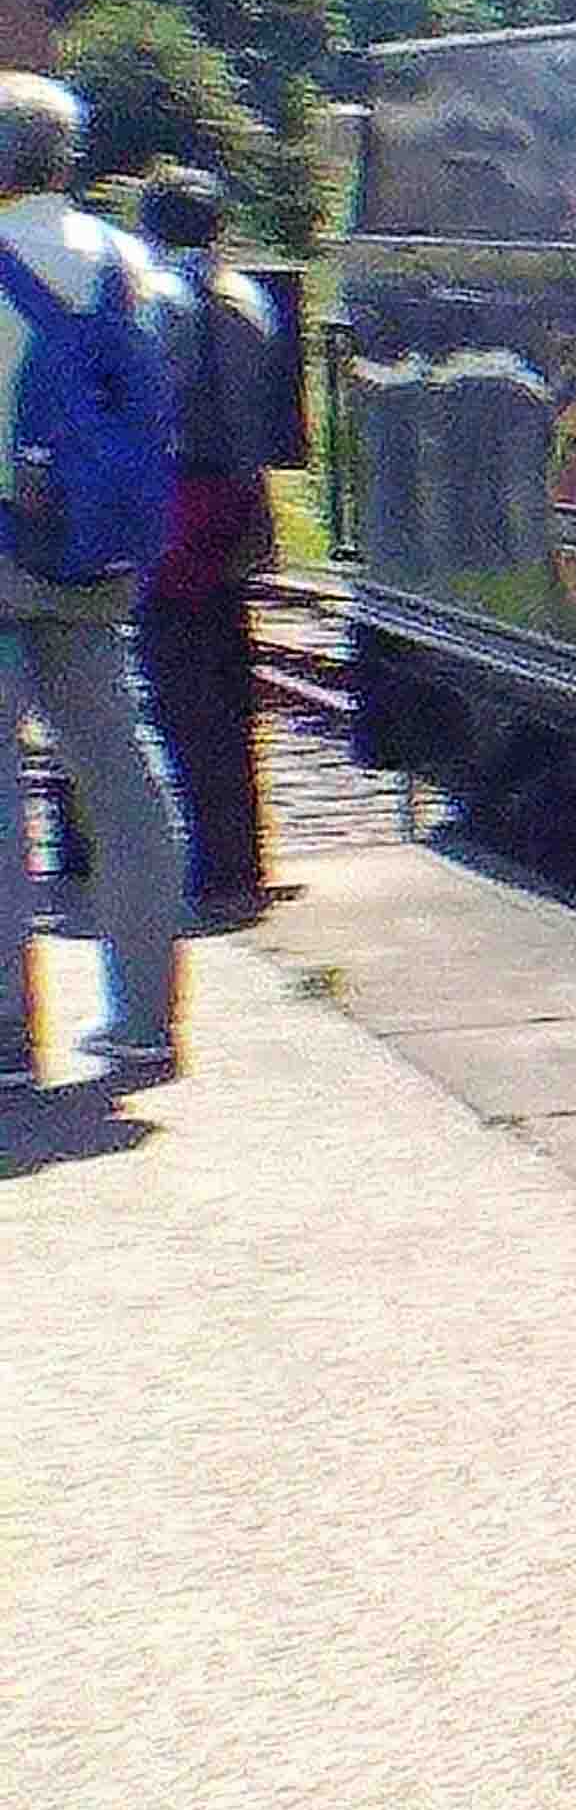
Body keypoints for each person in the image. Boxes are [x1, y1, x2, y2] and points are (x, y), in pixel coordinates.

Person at [0, 71, 191, 1080]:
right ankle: (147, 1015)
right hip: (95, 553)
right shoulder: (133, 265)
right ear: (67, 160)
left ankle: (3, 1039)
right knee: (120, 779)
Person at [137, 164, 298, 922]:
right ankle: (240, 854)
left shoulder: (159, 298)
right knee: (230, 688)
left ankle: (199, 858)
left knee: (174, 687)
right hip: (233, 507)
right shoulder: (247, 298)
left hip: (175, 510)